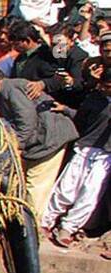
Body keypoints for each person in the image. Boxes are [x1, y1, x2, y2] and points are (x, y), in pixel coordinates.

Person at [0, 67, 78, 222]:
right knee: (26, 180)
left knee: (37, 183)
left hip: (51, 137)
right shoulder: (8, 91)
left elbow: (26, 120)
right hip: (41, 138)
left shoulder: (10, 89)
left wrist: (17, 144)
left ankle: (31, 224)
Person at [43, 70, 111, 247]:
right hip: (85, 147)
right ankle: (47, 221)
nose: (106, 89)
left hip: (106, 154)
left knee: (91, 191)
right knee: (67, 187)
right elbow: (80, 119)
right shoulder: (94, 99)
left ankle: (69, 227)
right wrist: (65, 110)